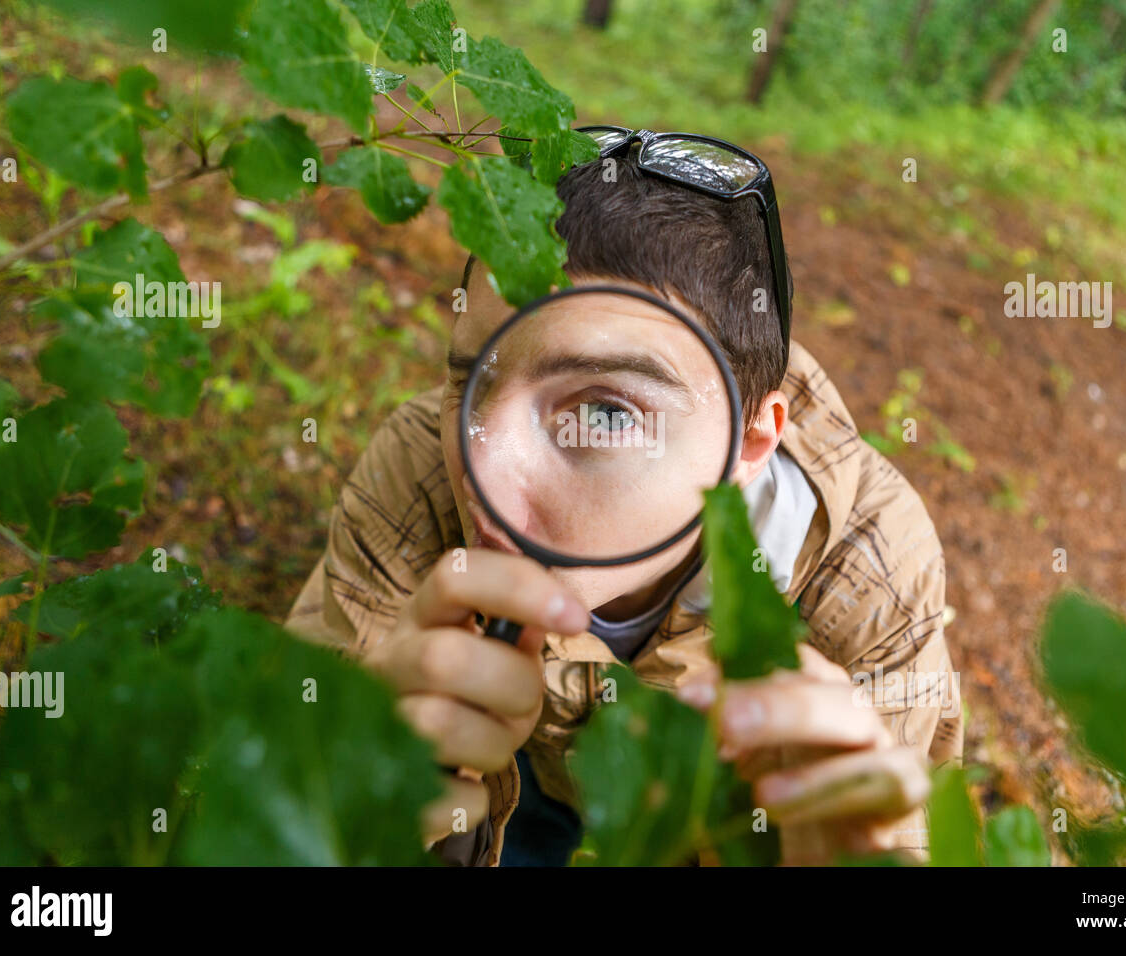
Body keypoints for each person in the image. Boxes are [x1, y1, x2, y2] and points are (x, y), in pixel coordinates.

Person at [285, 129, 963, 866]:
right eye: (471, 378)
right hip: (514, 783)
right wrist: (364, 796)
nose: (481, 463)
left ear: (748, 446)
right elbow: (288, 760)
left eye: (604, 413)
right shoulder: (419, 464)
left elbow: (904, 829)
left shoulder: (869, 572)